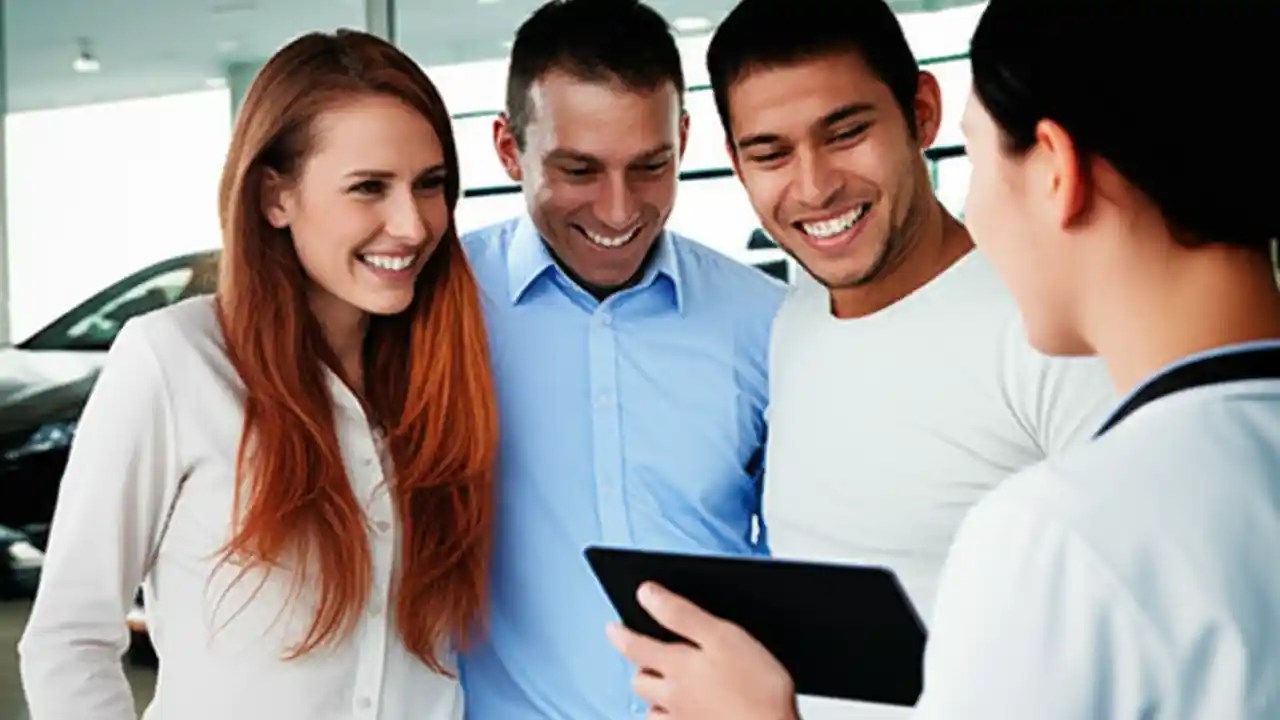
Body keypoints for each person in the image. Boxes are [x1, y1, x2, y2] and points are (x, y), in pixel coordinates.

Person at [608, 0, 1280, 717]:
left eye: (848, 132)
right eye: (771, 152)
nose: (813, 186)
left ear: (923, 114)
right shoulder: (792, 320)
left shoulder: (1062, 358)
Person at [19, 30, 498, 720]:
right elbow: (67, 640)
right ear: (276, 196)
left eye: (431, 185)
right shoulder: (173, 359)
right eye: (369, 187)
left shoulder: (447, 373)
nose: (414, 224)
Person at [456, 0, 786, 717]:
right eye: (578, 169)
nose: (617, 210)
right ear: (509, 151)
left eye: (650, 167)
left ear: (685, 140)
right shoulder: (436, 309)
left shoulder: (765, 320)